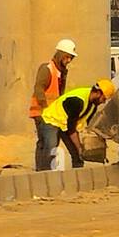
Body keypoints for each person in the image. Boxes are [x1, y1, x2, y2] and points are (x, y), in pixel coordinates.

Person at [39, 80, 116, 169]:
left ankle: (78, 173)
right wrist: (79, 147)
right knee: (51, 148)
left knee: (78, 155)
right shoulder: (77, 101)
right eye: (104, 99)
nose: (103, 102)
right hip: (52, 120)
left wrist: (100, 137)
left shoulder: (93, 105)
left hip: (65, 124)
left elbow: (90, 124)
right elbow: (71, 130)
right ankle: (43, 174)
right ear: (98, 93)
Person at [29, 38, 75, 171]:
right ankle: (44, 171)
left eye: (71, 58)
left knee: (45, 143)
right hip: (43, 113)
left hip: (52, 114)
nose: (69, 60)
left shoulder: (61, 72)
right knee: (49, 143)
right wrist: (46, 109)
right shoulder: (47, 69)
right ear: (60, 54)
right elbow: (39, 89)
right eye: (67, 57)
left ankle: (42, 169)